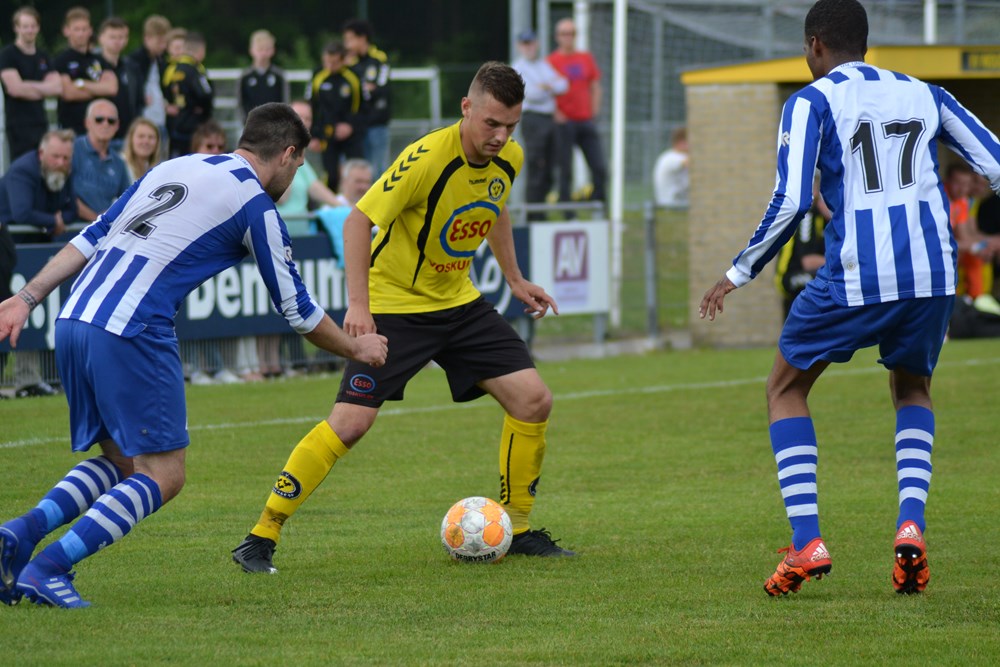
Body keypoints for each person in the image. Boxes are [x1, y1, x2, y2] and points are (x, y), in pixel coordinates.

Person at [0, 103, 388, 609]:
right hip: (132, 327)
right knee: (164, 474)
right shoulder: (255, 203)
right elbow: (297, 310)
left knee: (120, 461)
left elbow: (92, 236)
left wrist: (26, 297)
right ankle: (50, 567)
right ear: (289, 154)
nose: (293, 178)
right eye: (296, 167)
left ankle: (17, 535)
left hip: (75, 317)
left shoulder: (174, 166)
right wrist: (356, 345)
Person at [699, 0, 1000, 597]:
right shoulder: (926, 94)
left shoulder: (810, 101)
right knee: (912, 388)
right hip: (934, 273)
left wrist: (738, 271)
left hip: (857, 275)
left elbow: (790, 200)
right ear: (865, 43)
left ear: (814, 46)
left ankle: (807, 541)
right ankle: (909, 527)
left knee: (785, 387)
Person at [232, 62, 576, 574]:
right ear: (467, 108)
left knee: (533, 400)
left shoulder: (509, 159)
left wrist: (514, 278)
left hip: (458, 303)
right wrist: (359, 305)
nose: (501, 137)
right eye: (491, 124)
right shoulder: (425, 158)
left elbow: (495, 205)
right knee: (350, 424)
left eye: (511, 126)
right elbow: (357, 221)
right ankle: (261, 535)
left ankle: (519, 529)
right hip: (396, 307)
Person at [0, 129, 76, 399]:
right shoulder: (22, 170)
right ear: (42, 153)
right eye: (55, 156)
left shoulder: (65, 171)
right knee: (15, 312)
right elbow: (21, 212)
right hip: (12, 250)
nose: (61, 163)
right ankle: (25, 380)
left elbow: (71, 209)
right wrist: (53, 221)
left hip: (38, 249)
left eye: (65, 158)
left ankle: (39, 378)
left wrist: (55, 219)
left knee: (39, 313)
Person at [548, 17, 607, 213]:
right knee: (566, 169)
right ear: (557, 37)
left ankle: (598, 205)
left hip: (585, 120)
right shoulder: (551, 61)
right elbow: (544, 91)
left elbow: (596, 85)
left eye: (572, 33)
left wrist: (594, 111)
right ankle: (567, 212)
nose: (568, 37)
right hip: (565, 122)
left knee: (599, 167)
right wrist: (556, 112)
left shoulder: (585, 58)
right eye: (564, 33)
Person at [512, 28, 568, 221]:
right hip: (533, 119)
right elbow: (531, 94)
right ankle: (533, 215)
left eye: (532, 42)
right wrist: (549, 88)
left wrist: (546, 87)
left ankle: (541, 211)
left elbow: (563, 85)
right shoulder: (517, 67)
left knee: (550, 166)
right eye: (525, 43)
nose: (529, 47)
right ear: (520, 46)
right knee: (536, 166)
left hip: (548, 119)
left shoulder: (543, 66)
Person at [0, 6, 62, 160]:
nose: (30, 30)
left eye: (33, 26)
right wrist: (43, 88)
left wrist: (26, 85)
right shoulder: (8, 55)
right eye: (25, 26)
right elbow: (15, 89)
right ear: (16, 28)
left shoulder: (43, 56)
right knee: (22, 170)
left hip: (41, 125)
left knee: (43, 169)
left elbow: (57, 88)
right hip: (18, 128)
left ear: (38, 27)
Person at [52, 6, 118, 137]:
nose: (81, 33)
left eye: (84, 29)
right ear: (67, 31)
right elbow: (69, 93)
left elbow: (112, 88)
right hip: (72, 130)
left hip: (100, 130)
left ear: (90, 30)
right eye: (76, 29)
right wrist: (99, 90)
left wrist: (81, 84)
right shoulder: (61, 60)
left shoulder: (99, 59)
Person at [308, 41, 363, 192]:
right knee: (331, 176)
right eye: (327, 62)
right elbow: (313, 107)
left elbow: (361, 107)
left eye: (334, 62)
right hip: (327, 133)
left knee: (355, 172)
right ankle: (329, 207)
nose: (330, 66)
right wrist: (314, 135)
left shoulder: (353, 77)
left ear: (343, 60)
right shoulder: (318, 76)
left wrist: (350, 126)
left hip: (351, 135)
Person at [774, 177, 829, 319]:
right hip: (790, 276)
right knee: (832, 279)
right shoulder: (808, 215)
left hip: (806, 273)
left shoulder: (822, 219)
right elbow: (808, 262)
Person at [343, 19, 391, 178]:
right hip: (357, 125)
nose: (347, 44)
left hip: (377, 123)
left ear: (362, 38)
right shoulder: (349, 63)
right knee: (357, 170)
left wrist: (366, 88)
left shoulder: (378, 58)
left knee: (378, 170)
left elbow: (381, 88)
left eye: (350, 39)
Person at [71, 99, 131, 222]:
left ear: (117, 126)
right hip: (72, 231)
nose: (105, 124)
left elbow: (127, 201)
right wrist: (98, 221)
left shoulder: (118, 162)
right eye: (99, 119)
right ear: (87, 123)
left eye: (111, 121)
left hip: (104, 234)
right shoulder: (71, 150)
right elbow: (64, 197)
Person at [163, 31, 213, 157]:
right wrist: (204, 110)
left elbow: (166, 92)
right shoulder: (196, 70)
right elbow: (205, 94)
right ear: (201, 50)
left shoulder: (172, 70)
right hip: (195, 126)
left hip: (176, 124)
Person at [126, 14, 171, 148]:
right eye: (159, 42)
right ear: (147, 38)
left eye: (165, 42)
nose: (163, 46)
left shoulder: (161, 60)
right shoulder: (135, 61)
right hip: (145, 119)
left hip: (160, 118)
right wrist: (141, 98)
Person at [96, 17, 141, 146]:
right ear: (101, 38)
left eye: (121, 37)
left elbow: (138, 101)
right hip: (102, 135)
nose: (117, 41)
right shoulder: (92, 66)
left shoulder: (132, 68)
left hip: (127, 135)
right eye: (112, 37)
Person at [238, 30, 288, 121]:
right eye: (260, 49)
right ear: (251, 50)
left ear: (273, 50)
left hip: (274, 125)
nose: (263, 53)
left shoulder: (279, 75)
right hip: (251, 125)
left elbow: (285, 101)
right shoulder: (245, 76)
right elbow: (240, 103)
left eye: (267, 49)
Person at [652, 126, 690, 208]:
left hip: (676, 206)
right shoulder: (671, 157)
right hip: (672, 207)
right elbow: (691, 163)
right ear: (681, 143)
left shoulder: (674, 156)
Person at [120, 117, 162, 182]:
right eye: (141, 136)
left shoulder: (159, 170)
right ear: (131, 139)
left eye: (151, 137)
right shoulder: (119, 165)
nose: (146, 141)